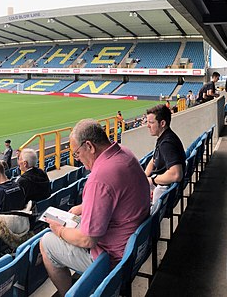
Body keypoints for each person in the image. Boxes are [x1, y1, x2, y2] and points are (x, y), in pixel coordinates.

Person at [40, 119, 150, 294]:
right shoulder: (125, 153)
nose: (79, 159)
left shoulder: (100, 177)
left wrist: (58, 229)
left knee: (46, 242)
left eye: (77, 154)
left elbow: (87, 239)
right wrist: (83, 207)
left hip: (113, 259)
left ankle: (70, 293)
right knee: (75, 220)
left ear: (90, 146)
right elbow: (117, 195)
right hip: (135, 246)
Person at [142, 104, 186, 211]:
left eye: (151, 123)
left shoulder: (167, 143)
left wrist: (152, 180)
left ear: (162, 123)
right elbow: (153, 160)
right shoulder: (164, 138)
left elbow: (176, 174)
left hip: (165, 194)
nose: (148, 126)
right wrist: (143, 178)